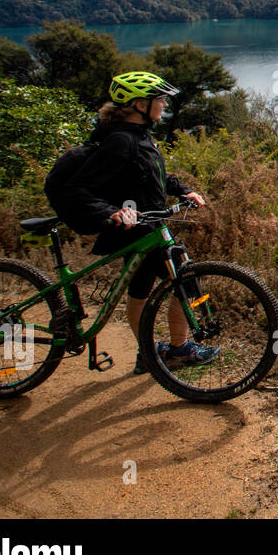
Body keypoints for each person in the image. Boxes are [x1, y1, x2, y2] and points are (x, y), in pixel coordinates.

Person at [61, 71, 218, 375]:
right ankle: (176, 349)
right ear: (137, 104)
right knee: (184, 280)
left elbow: (153, 175)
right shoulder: (120, 141)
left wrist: (183, 190)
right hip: (134, 229)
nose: (163, 104)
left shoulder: (138, 135)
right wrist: (112, 212)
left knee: (144, 288)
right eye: (159, 99)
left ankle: (148, 352)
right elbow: (79, 189)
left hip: (148, 227)